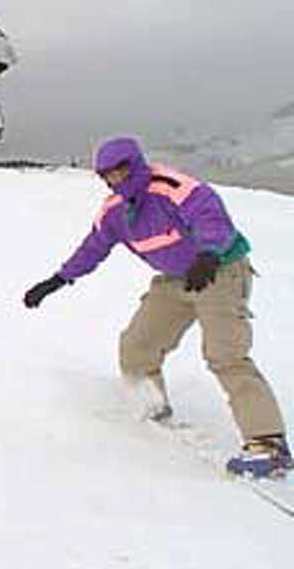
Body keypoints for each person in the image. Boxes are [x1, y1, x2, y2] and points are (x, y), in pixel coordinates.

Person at [22, 136, 287, 477]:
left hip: (218, 270)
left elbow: (211, 217)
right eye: (106, 174)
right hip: (176, 279)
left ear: (135, 164)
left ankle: (268, 443)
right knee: (137, 345)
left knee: (226, 355)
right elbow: (93, 248)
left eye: (120, 170)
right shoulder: (115, 211)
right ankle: (152, 406)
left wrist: (209, 253)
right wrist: (58, 280)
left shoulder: (172, 188)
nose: (114, 179)